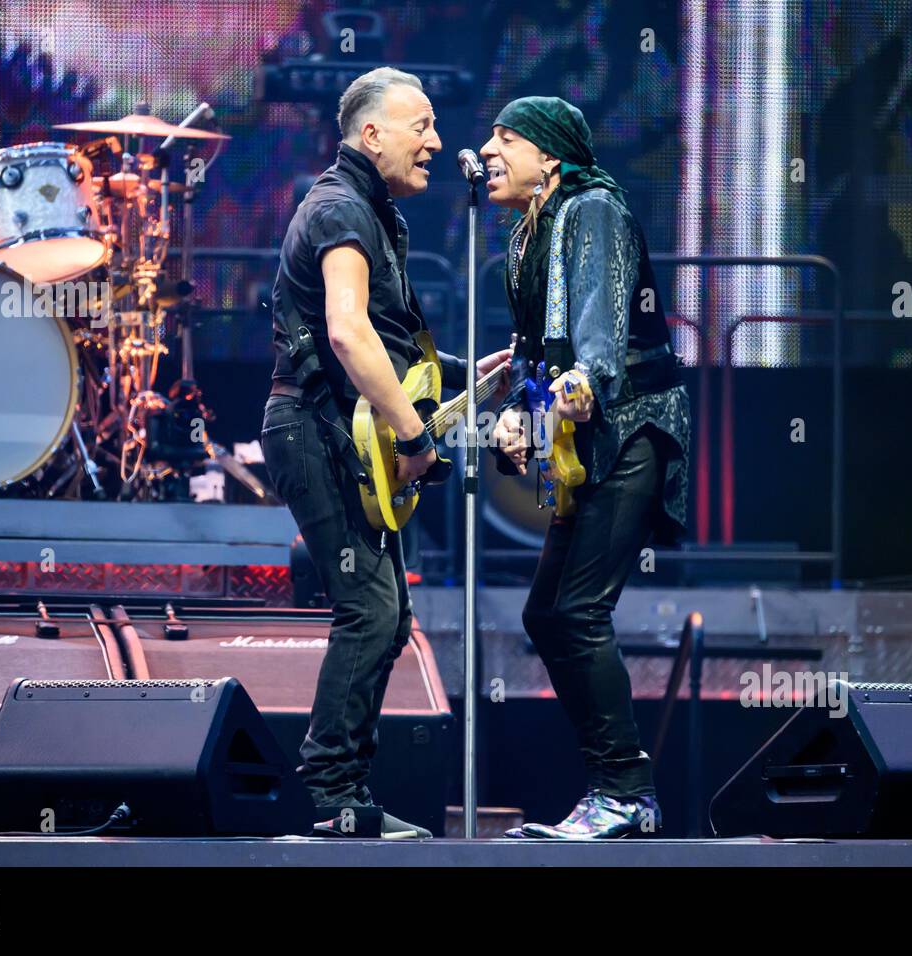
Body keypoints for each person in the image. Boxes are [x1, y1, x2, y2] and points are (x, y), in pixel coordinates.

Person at [263, 66, 509, 839]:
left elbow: (394, 348)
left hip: (347, 429)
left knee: (387, 613)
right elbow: (346, 332)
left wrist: (475, 380)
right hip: (316, 427)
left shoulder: (377, 215)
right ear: (372, 135)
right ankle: (333, 796)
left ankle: (349, 795)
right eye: (422, 126)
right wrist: (414, 435)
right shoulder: (340, 207)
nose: (438, 142)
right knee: (370, 609)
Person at [480, 95, 691, 839]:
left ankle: (627, 795)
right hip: (592, 442)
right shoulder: (530, 230)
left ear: (551, 156)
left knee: (576, 610)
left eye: (507, 136)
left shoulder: (591, 208)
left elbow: (596, 360)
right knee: (549, 612)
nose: (489, 148)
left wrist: (532, 423)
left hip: (631, 431)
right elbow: (546, 351)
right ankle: (616, 790)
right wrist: (510, 402)